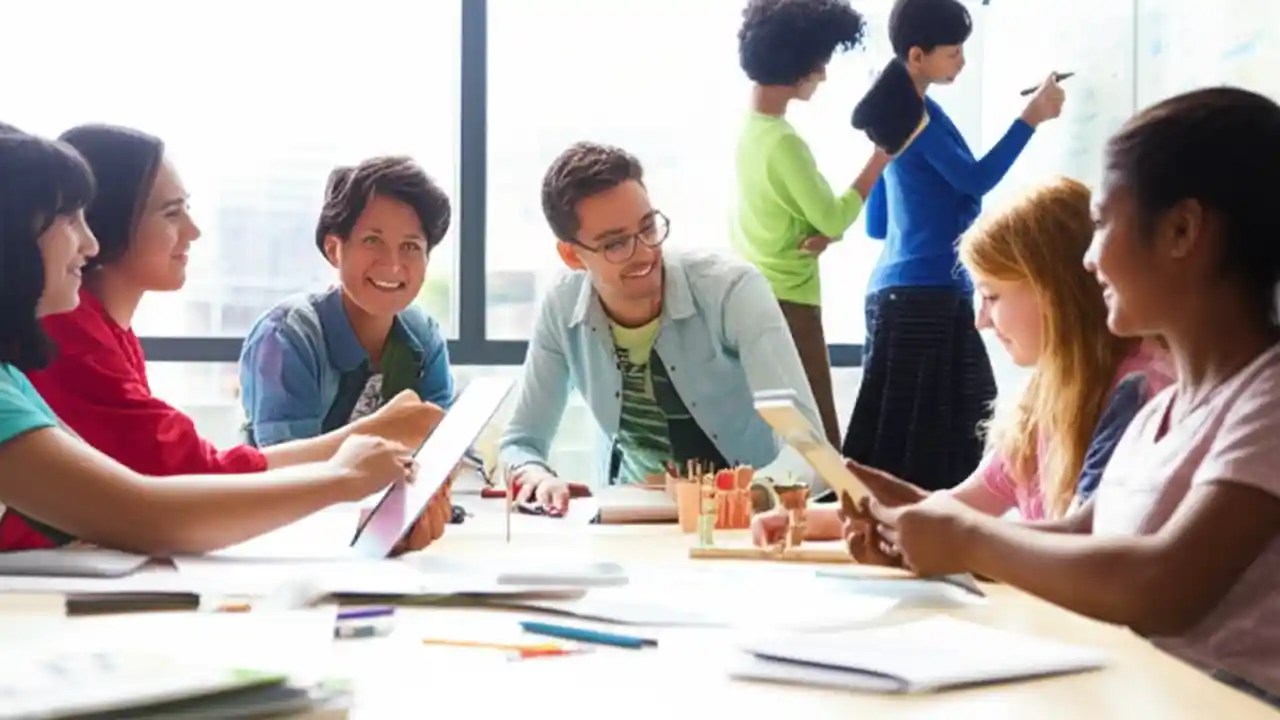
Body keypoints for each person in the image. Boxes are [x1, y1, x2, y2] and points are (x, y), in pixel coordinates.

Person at [864, 87, 1280, 705]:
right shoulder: (1157, 412)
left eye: (1103, 224)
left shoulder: (1266, 399)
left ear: (1183, 230)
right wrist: (921, 532)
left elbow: (1163, 584)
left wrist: (967, 539)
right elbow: (1080, 540)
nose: (1088, 261)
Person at [21, 125, 449, 553]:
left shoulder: (109, 332)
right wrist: (351, 466)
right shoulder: (69, 333)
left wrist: (359, 467)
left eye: (412, 246)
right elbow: (178, 485)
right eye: (171, 213)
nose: (194, 231)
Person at [753, 176, 1172, 547]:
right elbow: (965, 507)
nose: (980, 320)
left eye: (992, 296)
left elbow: (1087, 545)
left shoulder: (1140, 391)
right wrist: (813, 518)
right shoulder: (1044, 395)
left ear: (1054, 292)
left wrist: (925, 529)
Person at [499, 142, 824, 513]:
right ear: (573, 255)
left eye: (648, 227)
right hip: (630, 518)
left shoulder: (732, 290)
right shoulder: (561, 305)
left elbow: (809, 448)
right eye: (615, 244)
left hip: (743, 522)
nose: (644, 252)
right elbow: (520, 443)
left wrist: (747, 498)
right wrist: (535, 474)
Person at [842, 0, 1066, 491]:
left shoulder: (898, 116)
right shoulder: (919, 117)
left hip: (895, 292)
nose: (962, 61)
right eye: (954, 52)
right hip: (925, 294)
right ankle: (933, 536)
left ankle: (927, 534)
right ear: (917, 56)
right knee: (952, 430)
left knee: (912, 437)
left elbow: (878, 225)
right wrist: (1031, 117)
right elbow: (975, 179)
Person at [733, 0, 890, 448]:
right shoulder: (784, 143)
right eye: (819, 63)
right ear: (797, 65)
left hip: (758, 294)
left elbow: (773, 212)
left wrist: (819, 232)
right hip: (793, 303)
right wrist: (880, 158)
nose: (823, 74)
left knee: (780, 438)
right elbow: (834, 217)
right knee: (820, 440)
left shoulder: (749, 131)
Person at [239, 156, 455, 448]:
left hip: (396, 494)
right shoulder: (288, 336)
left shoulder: (422, 335)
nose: (393, 265)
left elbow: (442, 447)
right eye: (372, 240)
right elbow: (285, 470)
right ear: (333, 249)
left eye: (410, 246)